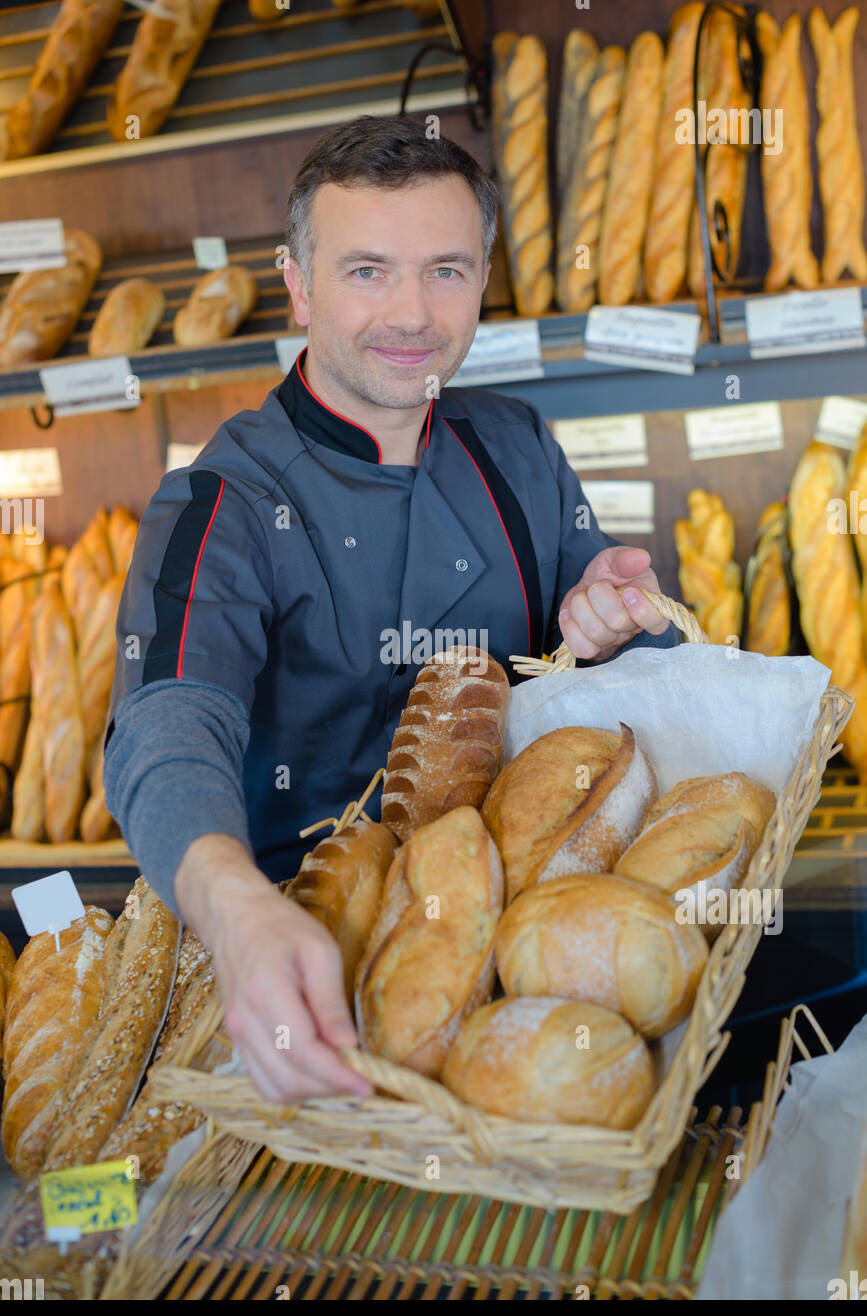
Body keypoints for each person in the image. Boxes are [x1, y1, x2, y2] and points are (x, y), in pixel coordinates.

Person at [104, 114, 676, 1105]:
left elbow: (605, 647)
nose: (411, 311)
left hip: (504, 950)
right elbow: (165, 720)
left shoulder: (518, 446)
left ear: (484, 276)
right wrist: (233, 906)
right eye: (367, 270)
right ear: (297, 281)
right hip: (300, 955)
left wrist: (612, 617)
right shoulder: (223, 497)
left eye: (446, 270)